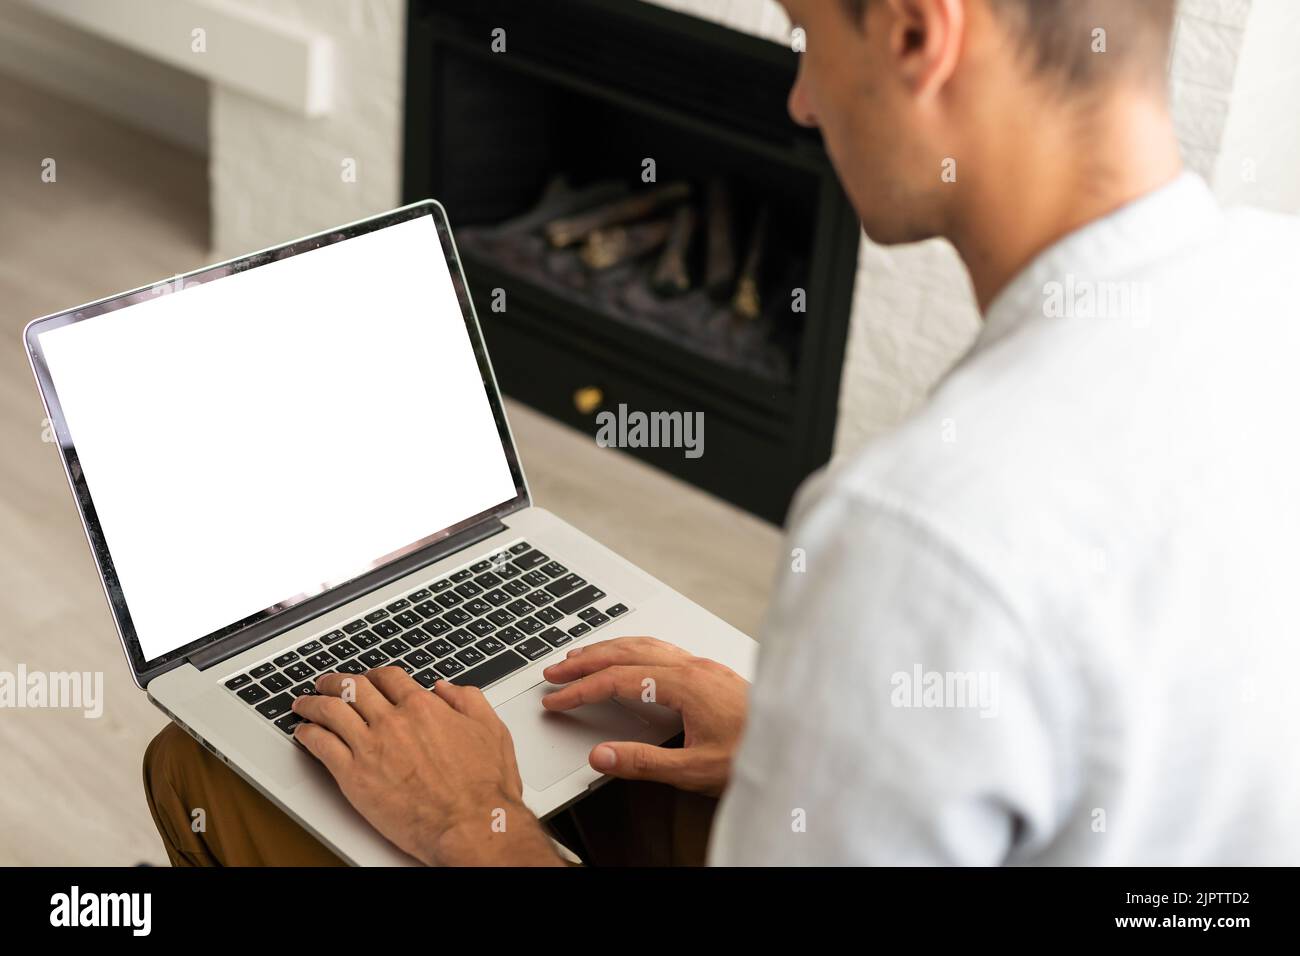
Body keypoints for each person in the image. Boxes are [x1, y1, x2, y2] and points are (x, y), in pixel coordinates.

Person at [145, 0, 1300, 866]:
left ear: (915, 33)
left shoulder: (920, 529)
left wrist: (477, 825)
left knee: (203, 765)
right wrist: (803, 738)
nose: (800, 99)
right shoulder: (1271, 293)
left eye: (807, 36)